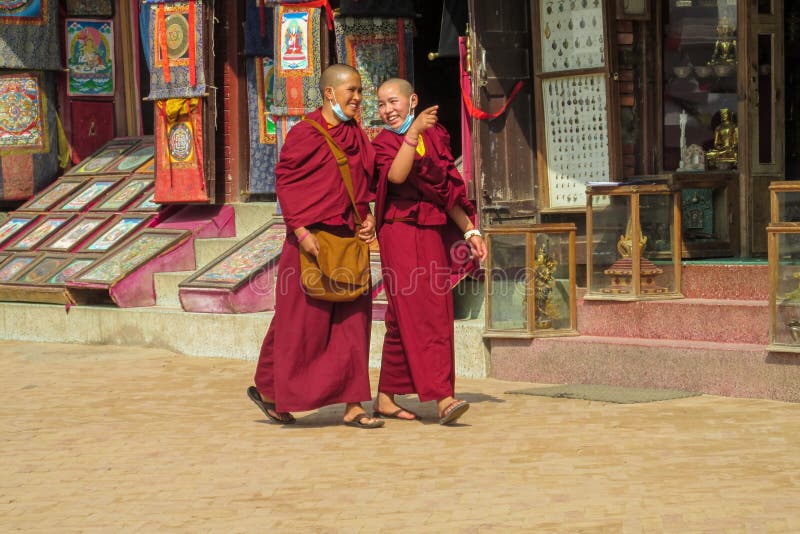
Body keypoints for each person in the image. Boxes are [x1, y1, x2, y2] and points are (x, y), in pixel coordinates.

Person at [247, 64, 384, 429]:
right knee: (299, 323)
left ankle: (354, 404)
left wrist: (367, 216)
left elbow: (360, 183)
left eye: (359, 91)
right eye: (351, 91)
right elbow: (287, 183)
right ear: (329, 93)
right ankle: (271, 390)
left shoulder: (356, 135)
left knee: (354, 323)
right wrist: (301, 230)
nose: (357, 98)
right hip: (308, 242)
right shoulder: (305, 134)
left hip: (347, 239)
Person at [371, 78, 487, 425]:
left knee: (417, 313)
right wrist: (412, 134)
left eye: (393, 102)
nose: (387, 110)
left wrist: (470, 230)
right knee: (420, 312)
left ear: (413, 100)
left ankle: (386, 397)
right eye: (381, 104)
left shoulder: (436, 137)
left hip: (431, 231)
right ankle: (443, 397)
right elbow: (396, 175)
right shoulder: (382, 143)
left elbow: (446, 190)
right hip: (400, 233)